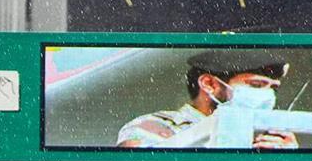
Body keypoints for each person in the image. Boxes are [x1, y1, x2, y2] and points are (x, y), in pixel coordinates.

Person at [118, 51, 296, 150]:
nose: (268, 96)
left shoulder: (263, 136)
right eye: (256, 85)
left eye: (273, 88)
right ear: (210, 84)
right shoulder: (152, 126)